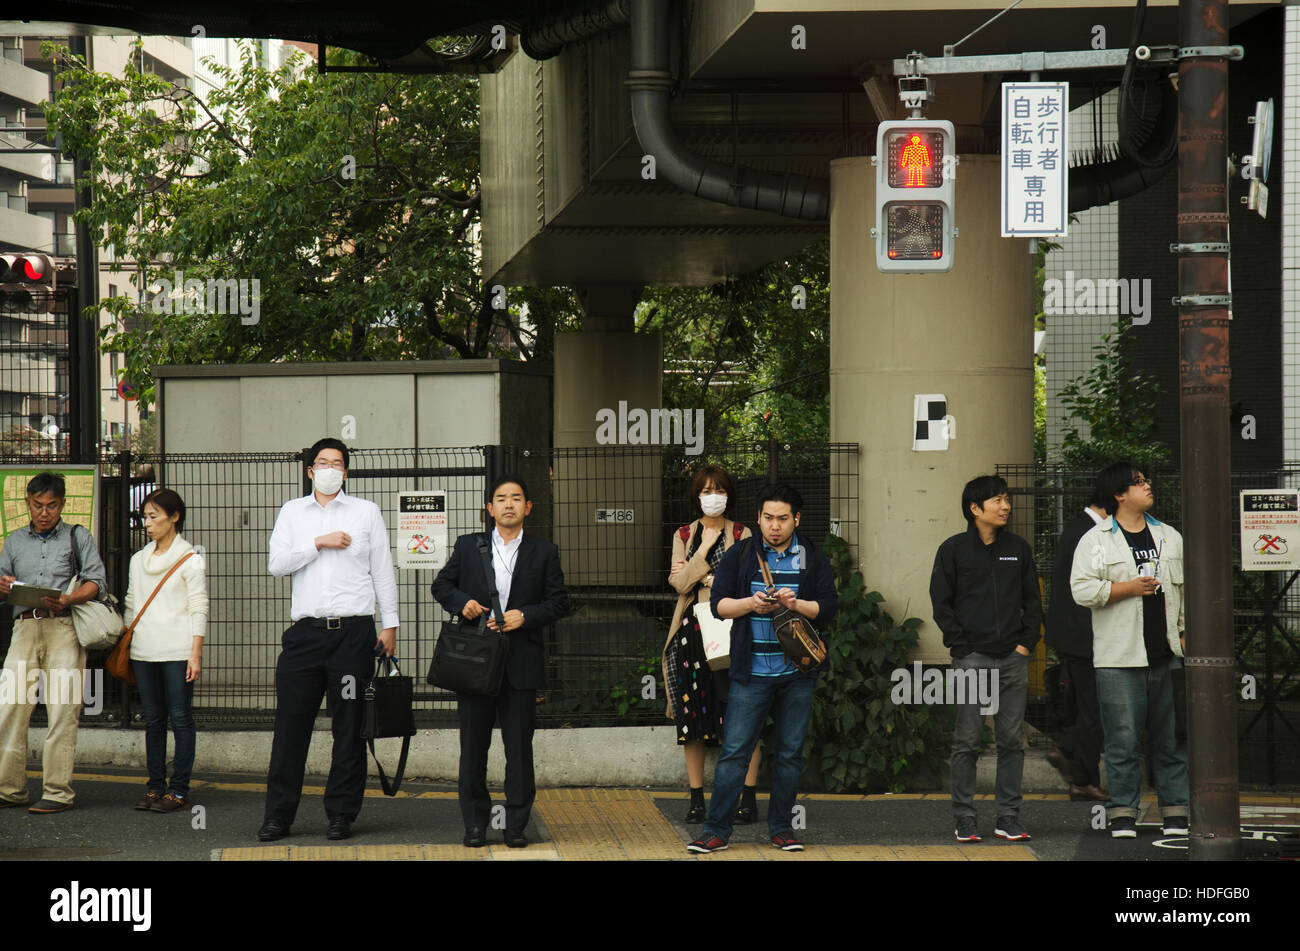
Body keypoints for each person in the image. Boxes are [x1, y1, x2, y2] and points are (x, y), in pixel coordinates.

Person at [259, 438, 398, 842]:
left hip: (353, 635)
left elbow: (382, 570)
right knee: (290, 727)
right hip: (304, 637)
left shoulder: (365, 512)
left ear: (346, 472)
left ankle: (341, 814)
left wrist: (389, 625)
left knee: (350, 726)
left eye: (337, 463)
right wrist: (318, 542)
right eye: (323, 462)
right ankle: (278, 816)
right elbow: (277, 565)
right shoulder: (292, 512)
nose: (330, 468)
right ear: (310, 471)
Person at [687, 483, 837, 854]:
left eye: (783, 519)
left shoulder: (811, 556)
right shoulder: (740, 555)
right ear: (758, 518)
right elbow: (720, 605)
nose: (774, 526)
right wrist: (751, 604)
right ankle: (716, 831)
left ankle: (783, 828)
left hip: (797, 673)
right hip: (750, 672)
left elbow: (829, 608)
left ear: (796, 519)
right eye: (768, 518)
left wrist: (797, 603)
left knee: (789, 753)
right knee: (735, 751)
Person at [432, 475, 567, 849]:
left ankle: (514, 824)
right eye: (501, 499)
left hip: (521, 663)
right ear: (489, 509)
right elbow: (441, 585)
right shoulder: (468, 546)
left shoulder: (545, 551)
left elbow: (559, 602)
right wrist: (463, 603)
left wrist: (526, 615)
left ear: (528, 507)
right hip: (475, 661)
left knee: (519, 750)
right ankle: (475, 823)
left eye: (516, 498)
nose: (509, 504)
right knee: (473, 748)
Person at [1070, 462, 1188, 839]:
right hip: (1119, 659)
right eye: (1138, 483)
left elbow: (1184, 594)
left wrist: (1184, 635)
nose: (1148, 486)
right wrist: (1128, 588)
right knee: (1122, 742)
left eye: (1146, 480)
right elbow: (1082, 590)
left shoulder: (1169, 536)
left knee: (1172, 740)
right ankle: (1122, 813)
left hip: (1166, 656)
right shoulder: (1096, 539)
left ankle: (1175, 812)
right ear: (1120, 495)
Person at [929, 474, 1042, 843]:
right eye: (997, 500)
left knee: (1012, 740)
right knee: (967, 740)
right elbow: (941, 603)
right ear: (975, 509)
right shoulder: (953, 550)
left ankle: (1008, 816)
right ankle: (964, 816)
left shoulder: (1019, 549)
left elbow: (1033, 602)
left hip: (1012, 656)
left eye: (1006, 499)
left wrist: (1026, 644)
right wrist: (960, 647)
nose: (1006, 506)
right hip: (972, 657)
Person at [0, 472, 106, 813]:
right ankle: (10, 789)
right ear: (27, 503)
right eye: (37, 505)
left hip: (64, 626)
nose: (44, 512)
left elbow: (97, 582)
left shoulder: (78, 536)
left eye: (52, 505)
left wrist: (71, 599)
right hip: (24, 627)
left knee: (63, 709)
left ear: (62, 505)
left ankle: (58, 792)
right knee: (11, 708)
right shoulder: (13, 540)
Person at [663, 465, 761, 824]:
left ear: (728, 494)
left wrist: (698, 574)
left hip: (736, 628)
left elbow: (746, 579)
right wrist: (703, 549)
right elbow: (678, 584)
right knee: (693, 717)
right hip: (693, 632)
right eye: (705, 490)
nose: (712, 495)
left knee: (743, 712)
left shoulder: (744, 532)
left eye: (718, 489)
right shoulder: (685, 533)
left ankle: (747, 799)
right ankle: (696, 800)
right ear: (696, 496)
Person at [125, 488, 208, 813]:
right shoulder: (137, 559)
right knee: (154, 720)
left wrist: (195, 652)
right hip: (144, 651)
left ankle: (179, 790)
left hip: (177, 651)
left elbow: (199, 605)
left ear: (174, 517)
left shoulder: (190, 558)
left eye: (154, 516)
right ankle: (155, 787)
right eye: (145, 517)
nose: (147, 523)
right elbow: (132, 602)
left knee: (181, 719)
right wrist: (127, 640)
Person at [1044, 485, 1109, 802]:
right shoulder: (1088, 532)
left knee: (1091, 706)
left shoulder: (1079, 527)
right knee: (1095, 709)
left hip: (1076, 634)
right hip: (1084, 635)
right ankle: (1082, 778)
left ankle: (1069, 752)